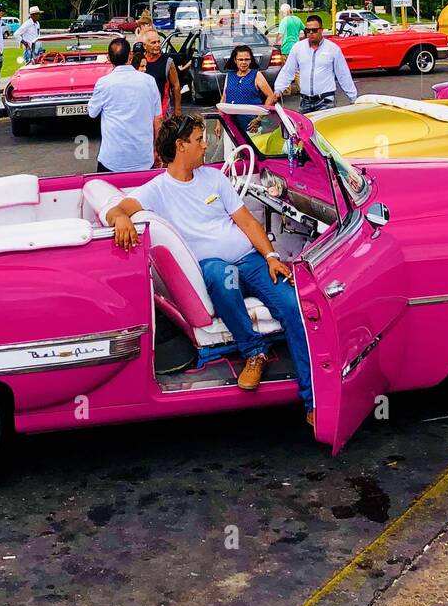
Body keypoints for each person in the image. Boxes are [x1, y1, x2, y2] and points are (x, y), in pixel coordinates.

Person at [103, 114, 314, 422]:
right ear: (180, 146)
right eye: (200, 140)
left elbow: (246, 221)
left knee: (291, 306)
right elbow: (117, 208)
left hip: (250, 260)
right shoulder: (157, 189)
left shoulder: (215, 178)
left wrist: (270, 256)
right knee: (218, 275)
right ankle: (255, 353)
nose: (206, 145)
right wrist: (121, 219)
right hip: (217, 267)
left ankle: (313, 401)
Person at [86, 36, 162, 173]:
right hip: (143, 157)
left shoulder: (104, 83)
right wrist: (157, 149)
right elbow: (158, 119)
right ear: (131, 56)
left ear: (109, 58)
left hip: (112, 159)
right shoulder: (149, 81)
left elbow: (92, 112)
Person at [267, 15, 357, 114]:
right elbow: (288, 71)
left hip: (325, 101)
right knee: (304, 128)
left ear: (321, 30)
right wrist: (278, 89)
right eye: (307, 30)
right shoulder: (298, 48)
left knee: (323, 128)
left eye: (314, 30)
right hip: (305, 101)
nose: (310, 33)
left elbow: (343, 74)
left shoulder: (332, 49)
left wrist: (353, 97)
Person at [139, 29, 182, 117]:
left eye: (158, 42)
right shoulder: (138, 60)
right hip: (142, 109)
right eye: (153, 43)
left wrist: (177, 109)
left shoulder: (168, 62)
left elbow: (176, 86)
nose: (157, 45)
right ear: (144, 45)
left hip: (163, 110)